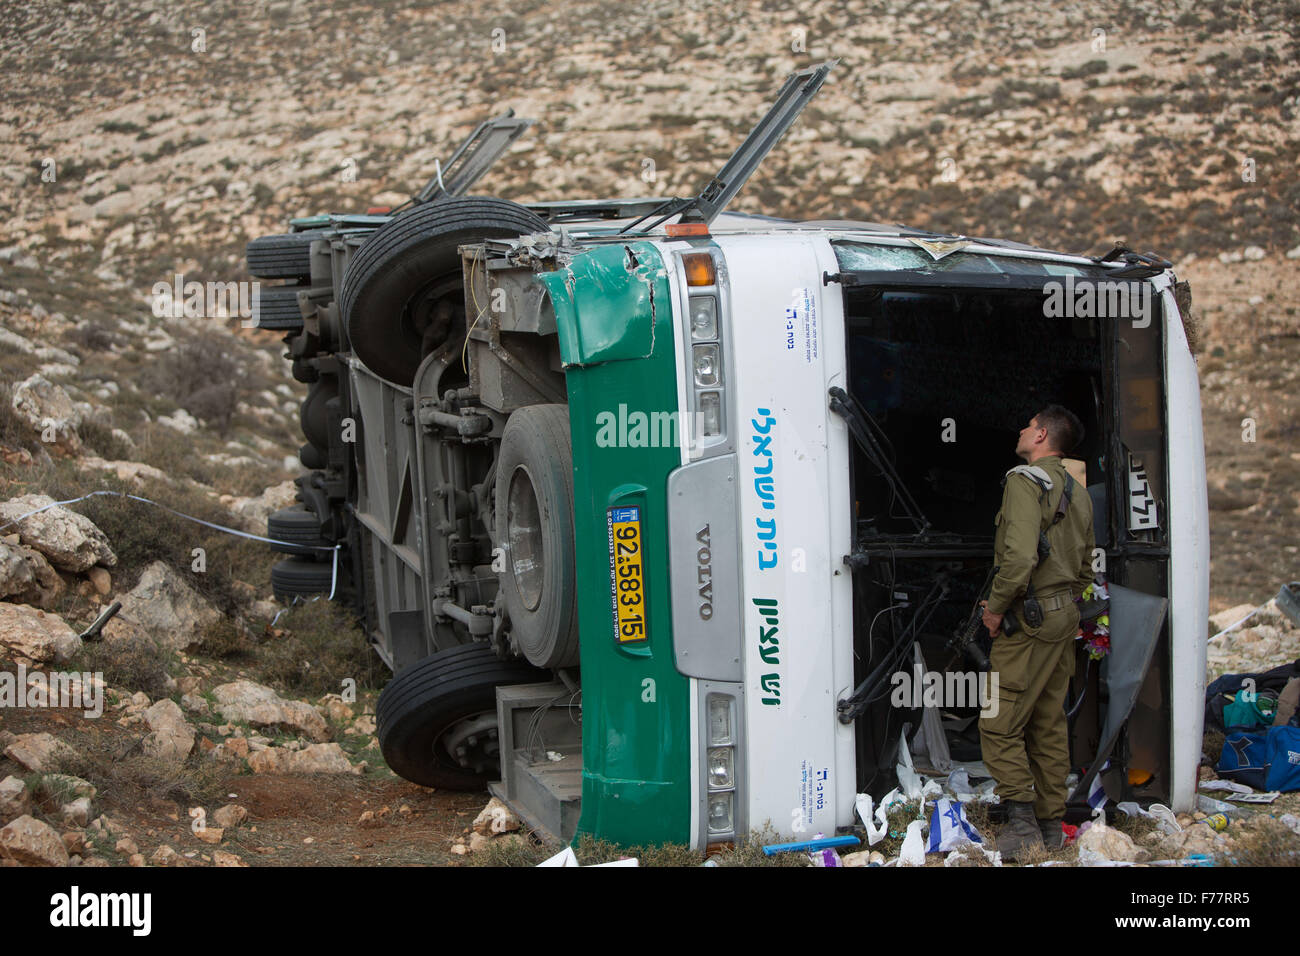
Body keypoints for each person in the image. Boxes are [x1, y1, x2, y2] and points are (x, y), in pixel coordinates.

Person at [978, 405, 1095, 859]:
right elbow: (1085, 566)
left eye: (1027, 425)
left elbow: (1020, 557)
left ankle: (1021, 821)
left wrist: (997, 607)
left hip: (1027, 620)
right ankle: (1050, 826)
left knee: (997, 716)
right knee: (1047, 721)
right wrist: (1060, 600)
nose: (1022, 430)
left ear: (1042, 434)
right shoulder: (1077, 491)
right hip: (1063, 617)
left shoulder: (1023, 482)